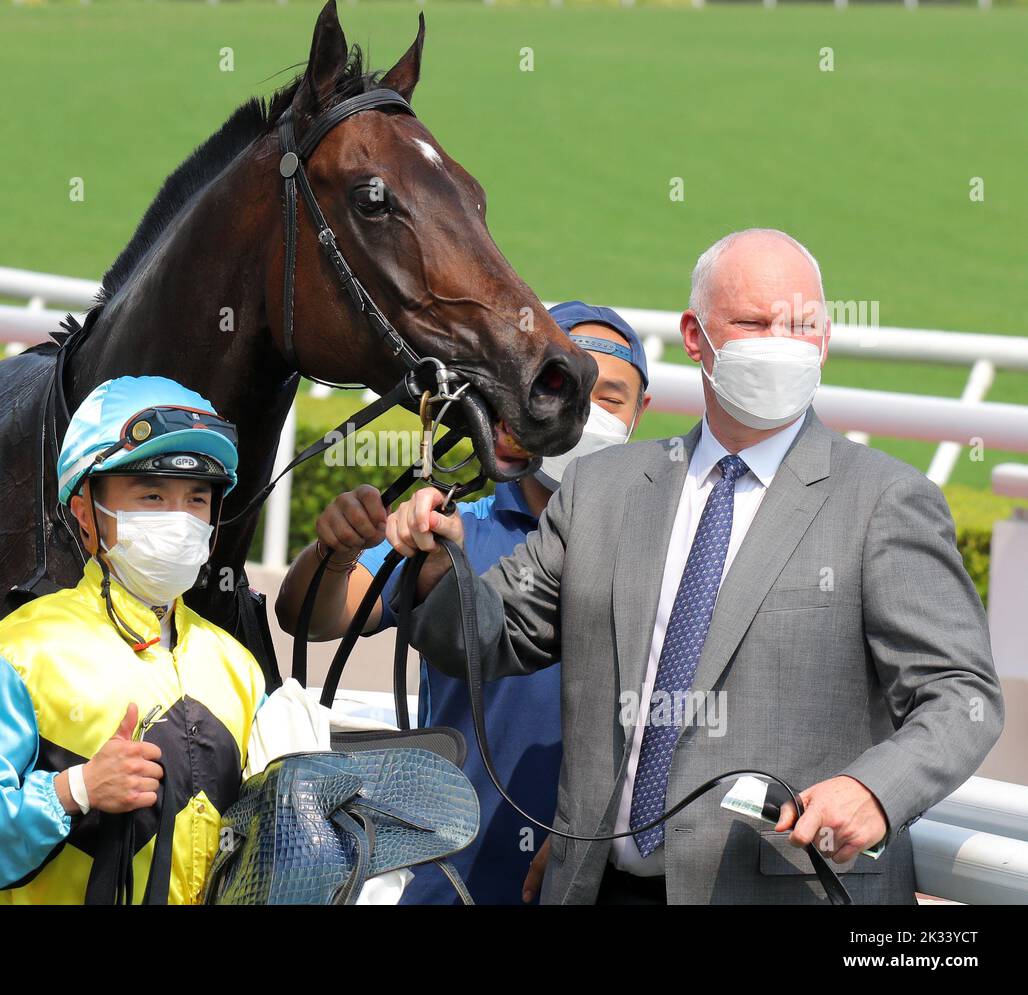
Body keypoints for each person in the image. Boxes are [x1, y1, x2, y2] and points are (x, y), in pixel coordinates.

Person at [387, 228, 1004, 904]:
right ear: (694, 334)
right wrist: (436, 564)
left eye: (800, 325)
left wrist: (875, 790)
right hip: (598, 887)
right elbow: (489, 635)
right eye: (752, 322)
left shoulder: (886, 500)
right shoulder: (603, 490)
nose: (780, 342)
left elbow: (960, 694)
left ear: (824, 338)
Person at [274, 302, 651, 904]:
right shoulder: (453, 516)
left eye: (609, 398)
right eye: (564, 387)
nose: (586, 413)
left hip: (587, 877)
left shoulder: (663, 540)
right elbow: (312, 618)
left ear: (641, 413)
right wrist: (336, 550)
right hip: (448, 874)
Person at [0, 376, 265, 904]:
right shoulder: (21, 650)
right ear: (85, 513)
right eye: (152, 495)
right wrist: (74, 791)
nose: (180, 520)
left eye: (197, 499)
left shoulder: (239, 666)